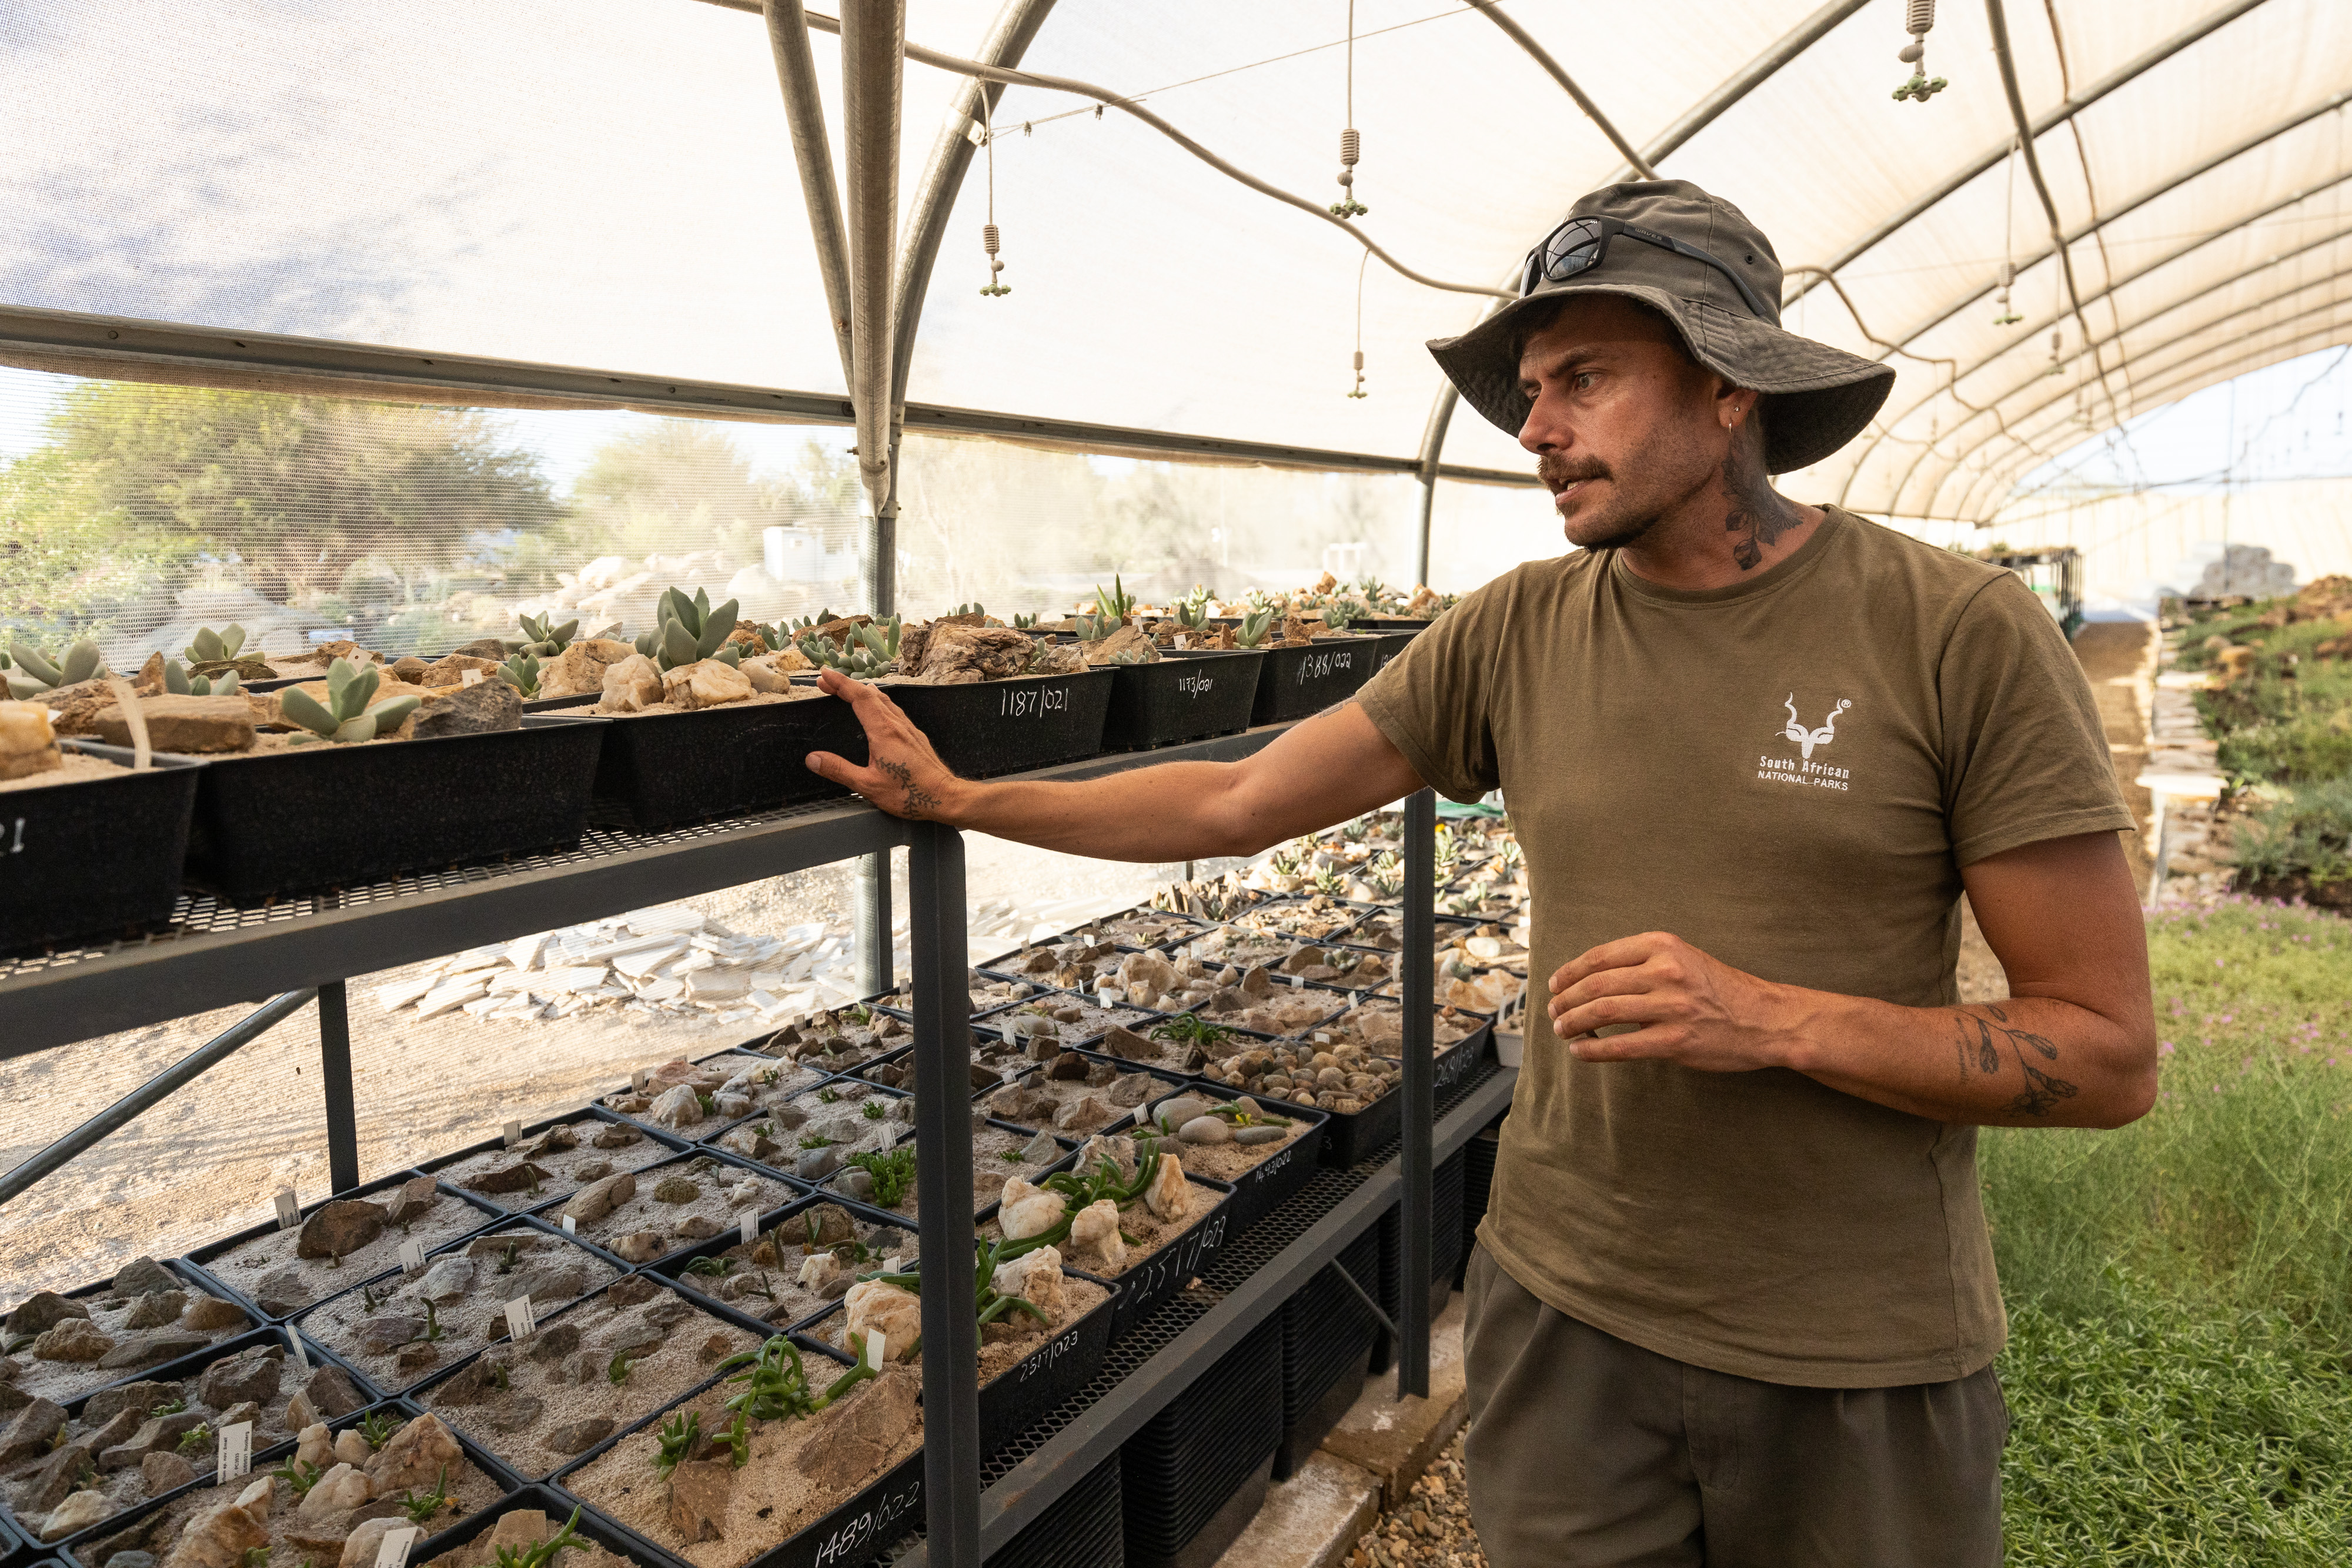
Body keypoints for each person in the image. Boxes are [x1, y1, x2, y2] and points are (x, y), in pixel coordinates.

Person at [802, 180, 2157, 1567]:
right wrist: (967, 799)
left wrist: (1771, 1018)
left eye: (1584, 378)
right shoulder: (1516, 627)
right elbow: (1234, 796)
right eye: (1525, 389)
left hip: (1852, 1351)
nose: (1535, 429)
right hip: (1564, 1312)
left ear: (1726, 384)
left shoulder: (1952, 632)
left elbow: (2104, 1053)